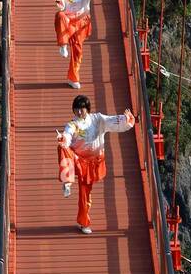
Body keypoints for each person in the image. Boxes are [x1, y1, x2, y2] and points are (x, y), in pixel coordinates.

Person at [57, 94, 135, 234]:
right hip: (77, 160)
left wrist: (125, 119)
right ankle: (67, 180)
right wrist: (64, 139)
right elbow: (68, 134)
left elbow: (111, 120)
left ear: (87, 108)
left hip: (93, 162)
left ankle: (83, 222)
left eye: (81, 109)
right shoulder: (72, 124)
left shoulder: (97, 119)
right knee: (62, 147)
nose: (79, 112)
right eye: (76, 109)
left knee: (86, 194)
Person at [54, 0, 117, 88]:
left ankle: (73, 78)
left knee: (78, 51)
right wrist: (60, 2)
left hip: (82, 23)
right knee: (60, 15)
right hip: (69, 22)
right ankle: (63, 45)